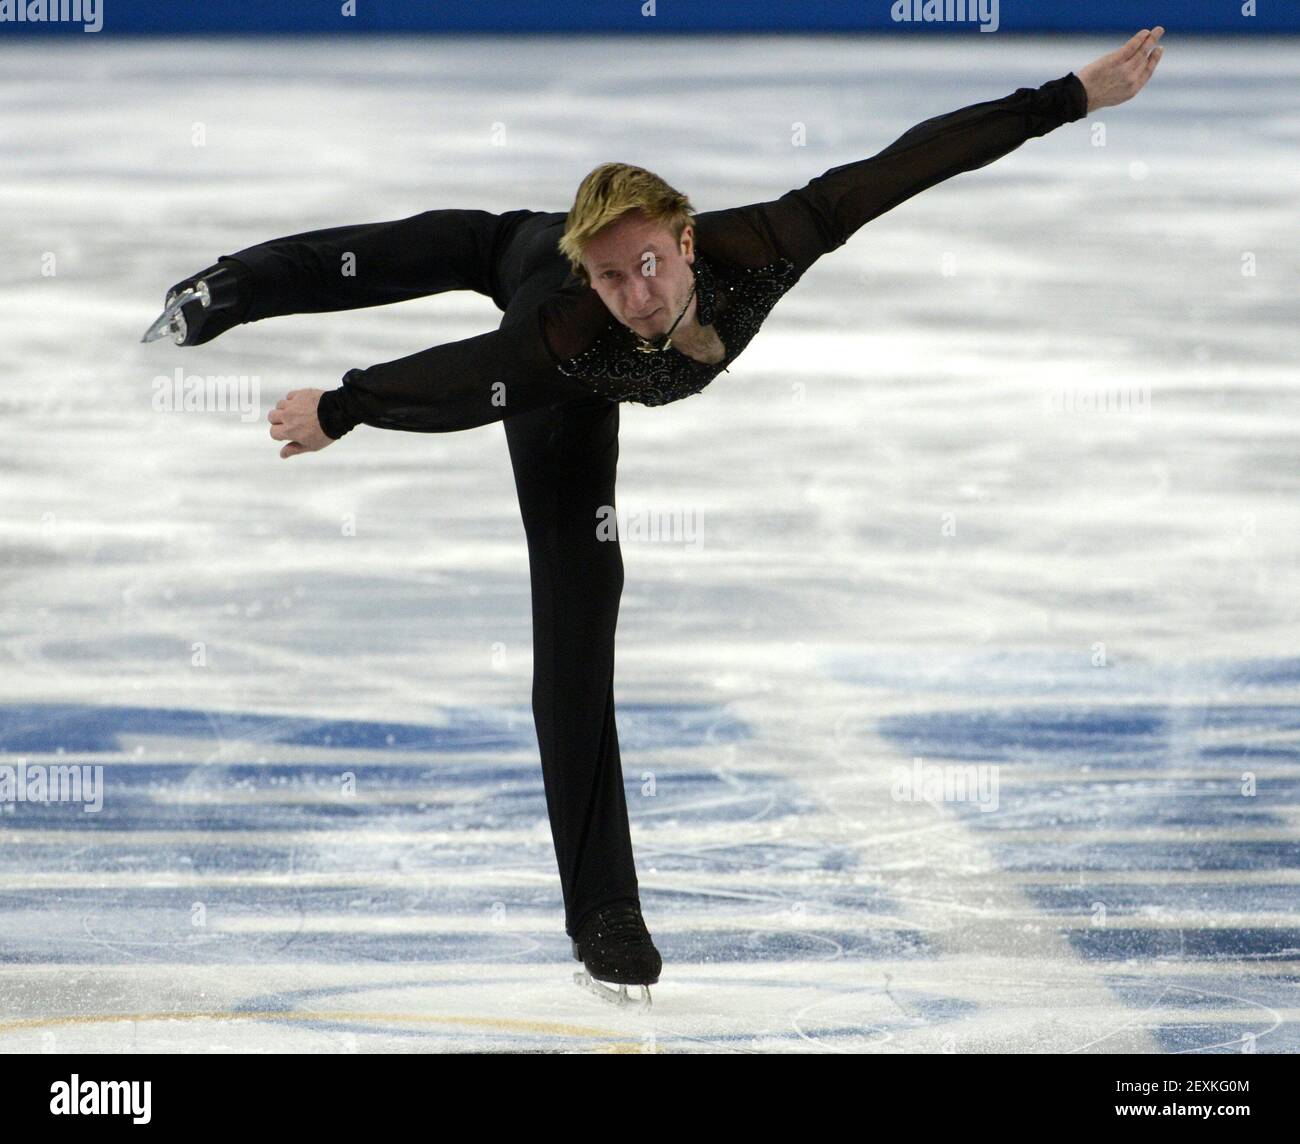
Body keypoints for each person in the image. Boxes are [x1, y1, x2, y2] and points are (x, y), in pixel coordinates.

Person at [151, 29, 1164, 1006]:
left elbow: (907, 163)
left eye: (647, 266)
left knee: (461, 264)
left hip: (557, 309)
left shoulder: (764, 242)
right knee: (556, 545)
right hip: (548, 355)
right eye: (609, 276)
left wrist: (1070, 97)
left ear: (684, 242)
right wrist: (345, 405)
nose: (637, 295)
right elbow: (472, 378)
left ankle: (599, 914)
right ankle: (225, 289)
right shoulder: (564, 328)